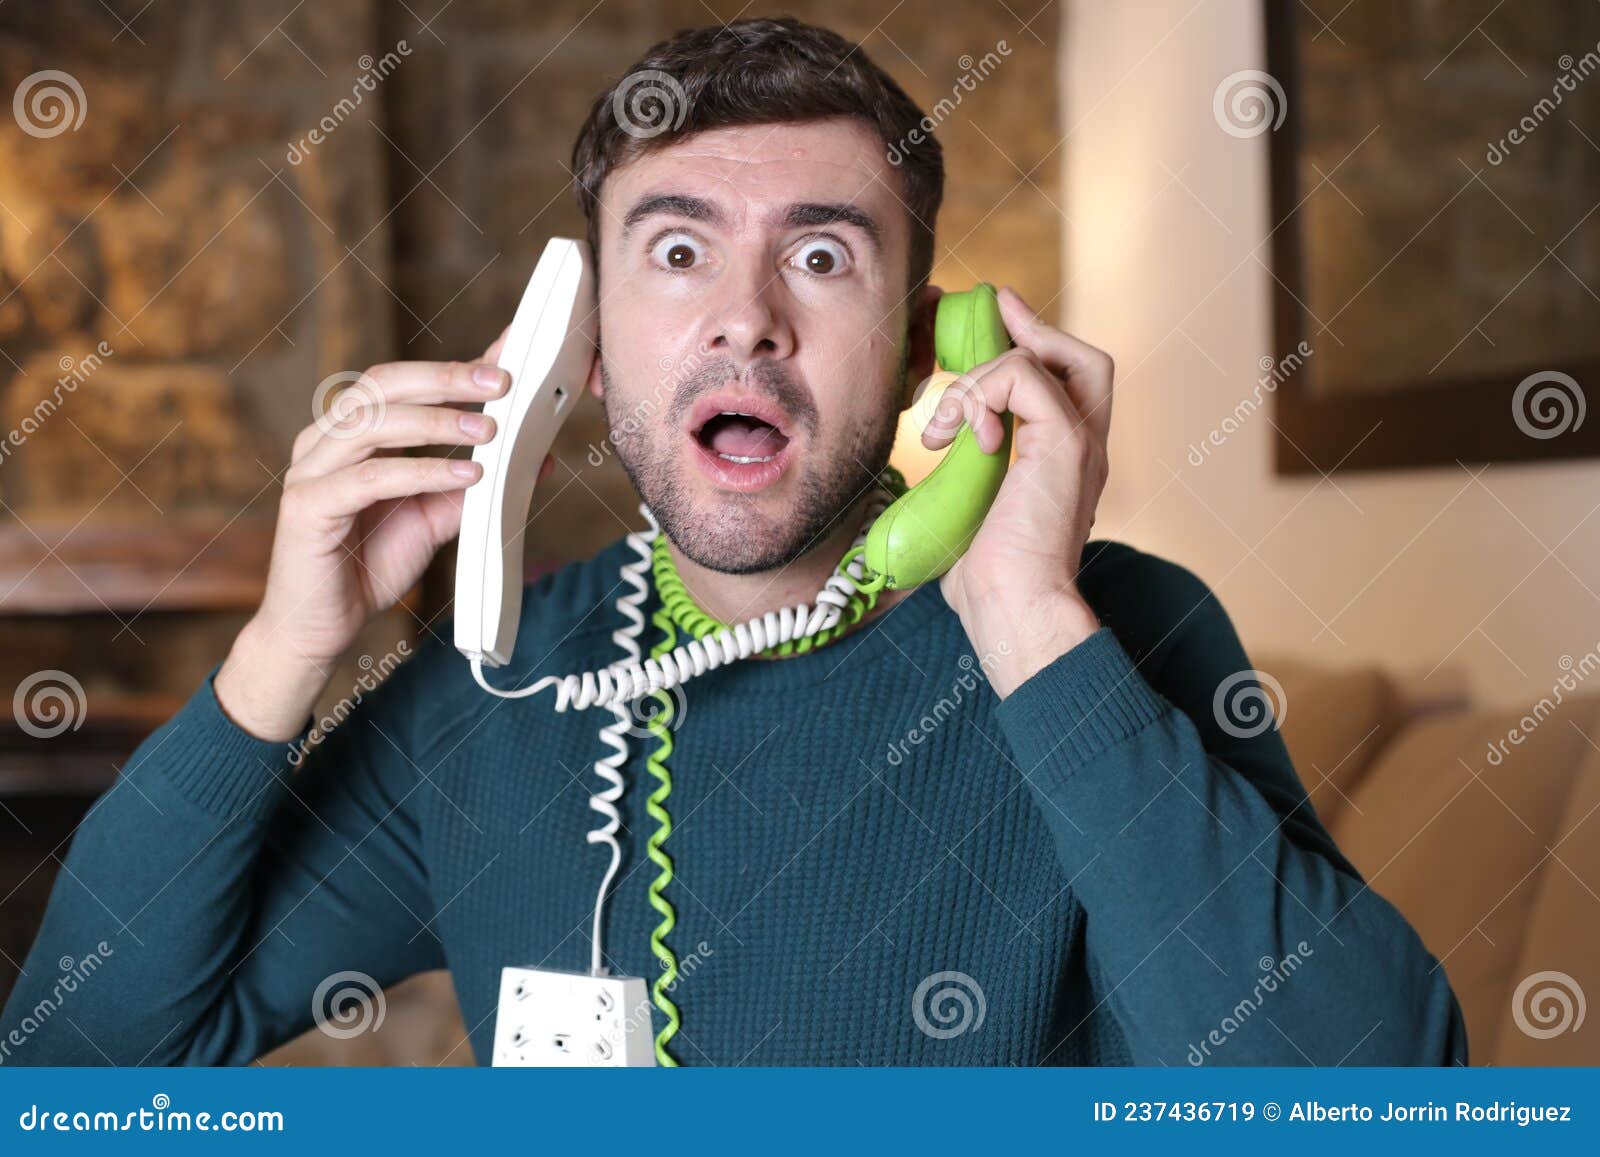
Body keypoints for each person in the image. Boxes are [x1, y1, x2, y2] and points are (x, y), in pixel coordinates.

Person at [1, 16, 1466, 1067]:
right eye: (679, 249)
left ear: (916, 349)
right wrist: (282, 649)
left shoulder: (1112, 632)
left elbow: (1376, 1098)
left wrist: (1026, 620)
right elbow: (81, 1057)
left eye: (823, 256)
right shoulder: (493, 689)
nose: (747, 314)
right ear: (588, 348)